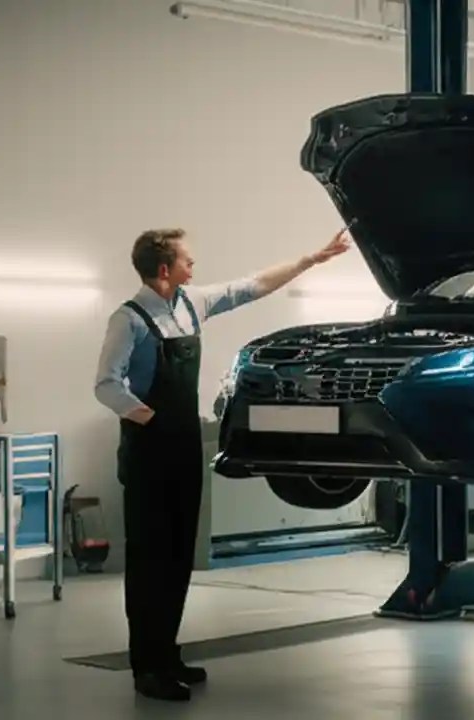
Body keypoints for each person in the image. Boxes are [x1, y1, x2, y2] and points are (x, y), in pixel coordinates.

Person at [93, 226, 351, 701]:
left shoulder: (191, 305)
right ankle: (145, 666)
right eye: (188, 261)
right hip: (149, 451)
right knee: (149, 560)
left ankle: (168, 653)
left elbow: (251, 285)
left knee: (177, 556)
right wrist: (151, 418)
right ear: (165, 269)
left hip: (185, 447)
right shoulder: (127, 320)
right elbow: (107, 385)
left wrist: (311, 259)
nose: (196, 268)